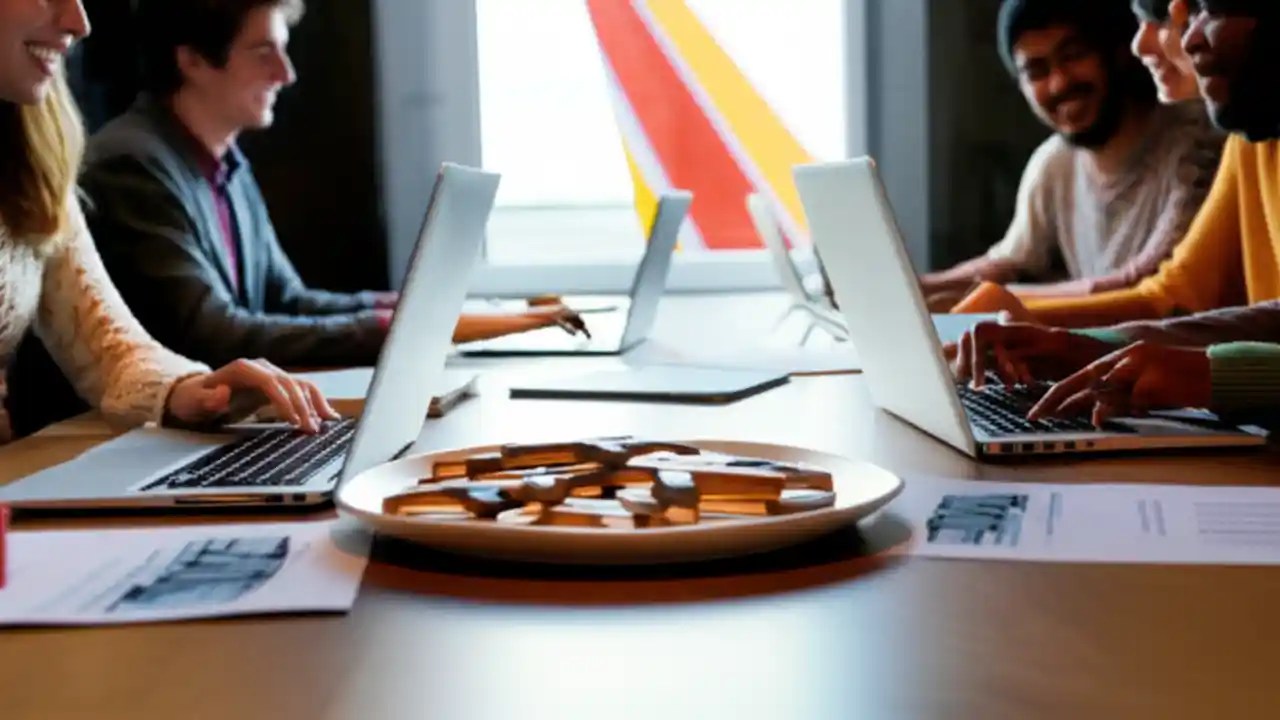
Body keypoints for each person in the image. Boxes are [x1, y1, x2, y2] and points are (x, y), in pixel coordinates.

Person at [78, 0, 586, 370]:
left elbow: (288, 300)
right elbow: (215, 334)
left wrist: (412, 306)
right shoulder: (132, 165)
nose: (287, 73)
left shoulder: (223, 161)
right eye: (263, 53)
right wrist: (402, 327)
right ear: (191, 61)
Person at [0, 0, 337, 444]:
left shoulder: (34, 155)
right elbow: (214, 326)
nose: (78, 22)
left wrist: (190, 390)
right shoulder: (135, 159)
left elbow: (110, 351)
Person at [955, 1, 1280, 426]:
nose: (1188, 36)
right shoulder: (1251, 134)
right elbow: (1182, 292)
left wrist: (1210, 374)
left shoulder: (1201, 139)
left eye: (1213, 8)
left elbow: (1164, 295)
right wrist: (1088, 346)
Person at [920, 0, 1223, 311]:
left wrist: (997, 299)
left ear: (1116, 51)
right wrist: (916, 288)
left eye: (1073, 56)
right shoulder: (1054, 163)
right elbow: (1007, 261)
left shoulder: (1196, 142)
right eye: (1036, 71)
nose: (1059, 83)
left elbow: (1148, 285)